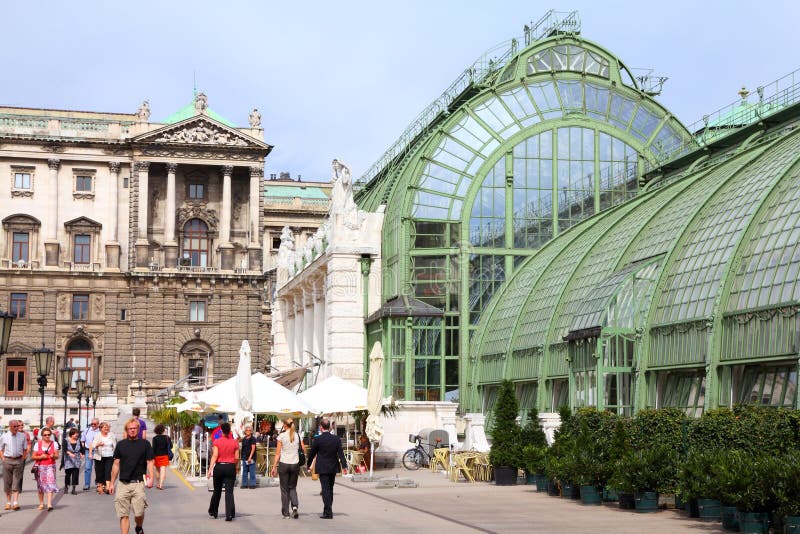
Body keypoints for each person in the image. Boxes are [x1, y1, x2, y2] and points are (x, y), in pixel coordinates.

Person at [109, 418, 154, 534]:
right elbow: (116, 464)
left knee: (139, 512)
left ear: (138, 429)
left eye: (135, 428)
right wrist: (111, 482)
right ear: (127, 430)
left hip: (138, 484)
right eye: (130, 429)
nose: (132, 430)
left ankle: (139, 526)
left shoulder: (145, 444)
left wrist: (151, 479)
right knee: (123, 514)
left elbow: (150, 462)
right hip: (123, 484)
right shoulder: (121, 445)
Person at [306, 418, 347, 519]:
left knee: (325, 490)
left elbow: (312, 453)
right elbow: (341, 453)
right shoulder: (336, 439)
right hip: (333, 467)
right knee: (330, 489)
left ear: (321, 427)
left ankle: (328, 511)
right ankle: (327, 509)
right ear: (329, 427)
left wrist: (308, 464)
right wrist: (344, 466)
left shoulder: (318, 439)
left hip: (322, 467)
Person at [271, 418, 306, 519]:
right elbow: (303, 449)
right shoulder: (298, 435)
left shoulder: (281, 436)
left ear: (285, 425)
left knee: (284, 489)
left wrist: (274, 467)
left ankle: (286, 513)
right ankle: (294, 506)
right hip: (295, 464)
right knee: (292, 487)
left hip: (284, 464)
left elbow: (277, 453)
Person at [207, 422, 239, 522]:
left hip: (219, 467)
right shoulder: (234, 442)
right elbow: (237, 457)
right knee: (229, 492)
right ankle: (229, 514)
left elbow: (215, 456)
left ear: (221, 430)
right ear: (229, 431)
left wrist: (210, 469)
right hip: (230, 467)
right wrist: (236, 467)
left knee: (217, 490)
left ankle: (213, 511)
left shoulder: (217, 441)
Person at [1, 419, 29, 510]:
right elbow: (1, 449)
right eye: (15, 426)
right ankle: (8, 502)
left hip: (18, 460)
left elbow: (25, 448)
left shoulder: (22, 436)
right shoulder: (4, 436)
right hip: (8, 460)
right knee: (7, 482)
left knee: (16, 482)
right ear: (10, 427)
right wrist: (3, 459)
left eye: (18, 426)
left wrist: (23, 458)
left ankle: (16, 502)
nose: (17, 428)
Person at [32, 426, 59, 510]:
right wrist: (41, 457)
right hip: (40, 467)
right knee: (40, 485)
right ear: (42, 436)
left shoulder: (54, 443)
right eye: (45, 435)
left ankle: (49, 504)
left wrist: (53, 455)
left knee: (50, 483)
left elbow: (57, 456)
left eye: (48, 435)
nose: (47, 436)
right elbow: (33, 456)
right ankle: (41, 503)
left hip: (50, 466)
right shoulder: (38, 444)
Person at [90, 422, 116, 494]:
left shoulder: (111, 435)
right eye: (105, 427)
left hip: (109, 456)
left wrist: (116, 455)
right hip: (99, 456)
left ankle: (107, 487)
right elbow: (93, 445)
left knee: (108, 471)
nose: (107, 429)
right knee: (99, 472)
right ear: (101, 429)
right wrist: (98, 444)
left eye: (107, 427)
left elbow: (115, 445)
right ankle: (100, 486)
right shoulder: (98, 435)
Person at [81, 418, 101, 490]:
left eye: (95, 424)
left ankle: (98, 483)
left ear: (98, 424)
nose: (93, 425)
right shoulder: (87, 430)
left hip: (98, 451)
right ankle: (87, 484)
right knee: (87, 468)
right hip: (87, 450)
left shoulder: (100, 431)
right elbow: (82, 440)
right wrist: (83, 449)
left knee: (98, 468)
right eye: (91, 424)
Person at [63, 428, 83, 495]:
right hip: (68, 459)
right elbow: (64, 449)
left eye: (77, 435)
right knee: (68, 475)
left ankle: (74, 489)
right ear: (71, 435)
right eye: (76, 435)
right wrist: (70, 453)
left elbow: (82, 449)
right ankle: (66, 486)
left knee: (75, 475)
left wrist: (82, 454)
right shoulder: (66, 440)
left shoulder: (78, 440)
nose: (77, 436)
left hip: (76, 459)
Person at [151, 424, 171, 490]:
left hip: (157, 456)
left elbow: (153, 448)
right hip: (165, 456)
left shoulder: (155, 438)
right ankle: (161, 485)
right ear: (163, 430)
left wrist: (152, 457)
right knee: (163, 470)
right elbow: (171, 446)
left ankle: (157, 483)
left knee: (157, 470)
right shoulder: (167, 438)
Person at [240, 424, 257, 490]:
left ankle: (252, 484)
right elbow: (243, 448)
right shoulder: (244, 439)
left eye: (249, 430)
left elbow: (253, 449)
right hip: (244, 456)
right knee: (244, 471)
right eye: (246, 430)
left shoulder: (253, 439)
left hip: (251, 457)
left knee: (252, 471)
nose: (247, 431)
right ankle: (244, 484)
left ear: (251, 431)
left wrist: (250, 457)